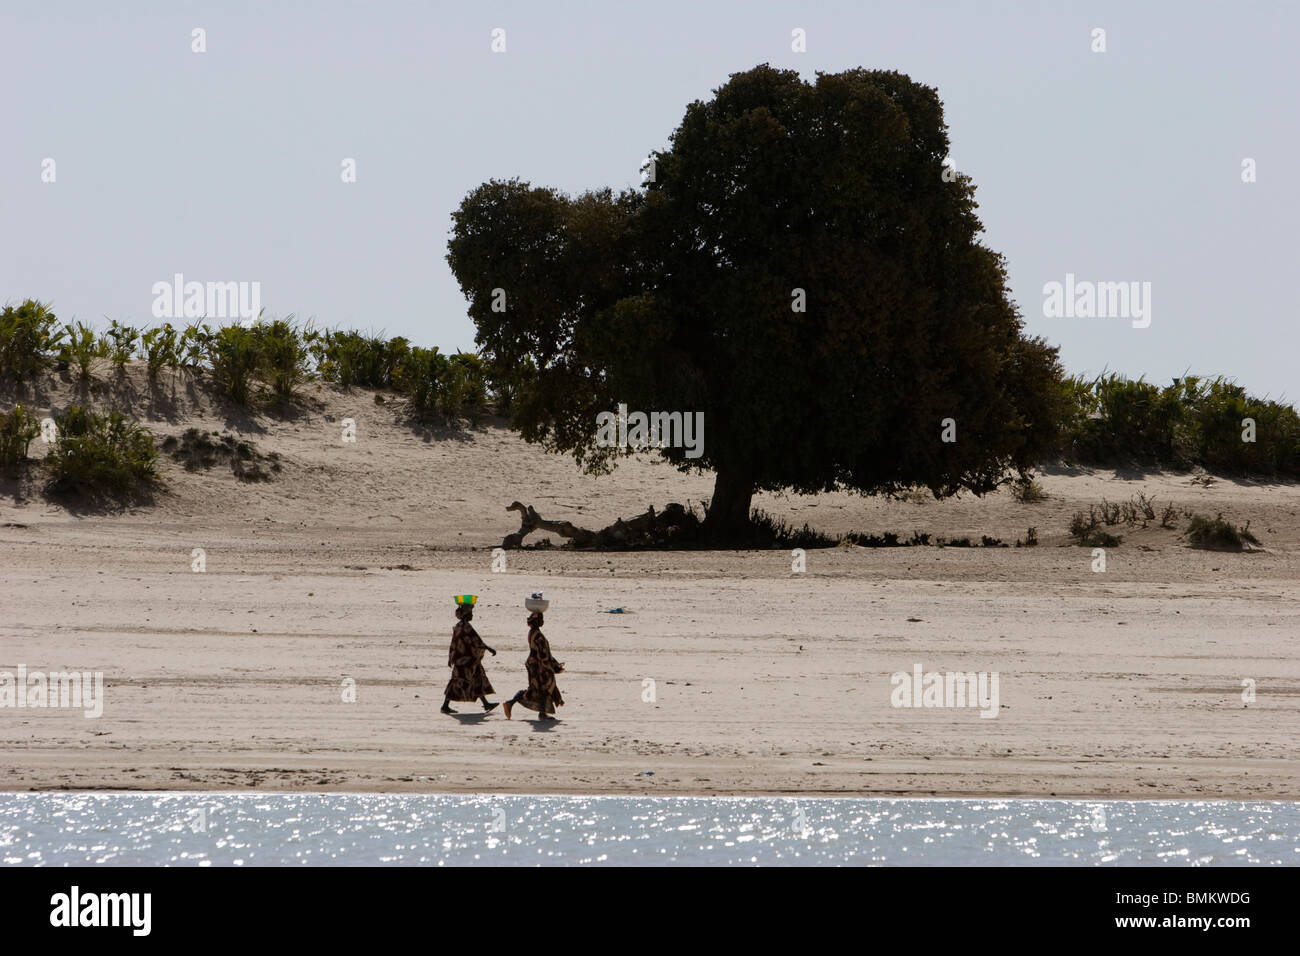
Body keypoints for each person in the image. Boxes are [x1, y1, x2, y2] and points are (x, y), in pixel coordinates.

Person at [503, 602, 564, 721]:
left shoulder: (533, 633)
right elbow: (543, 654)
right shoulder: (538, 636)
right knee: (542, 688)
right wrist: (553, 666)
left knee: (537, 688)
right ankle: (539, 713)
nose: (543, 621)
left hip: (534, 664)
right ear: (537, 621)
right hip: (539, 666)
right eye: (541, 619)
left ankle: (514, 704)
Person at [442, 598, 499, 714]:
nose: (472, 615)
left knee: (476, 678)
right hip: (466, 660)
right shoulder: (466, 626)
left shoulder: (458, 626)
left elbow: (453, 643)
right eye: (471, 613)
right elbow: (476, 640)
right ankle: (445, 706)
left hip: (463, 659)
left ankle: (486, 703)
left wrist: (450, 657)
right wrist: (488, 648)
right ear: (466, 614)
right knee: (459, 681)